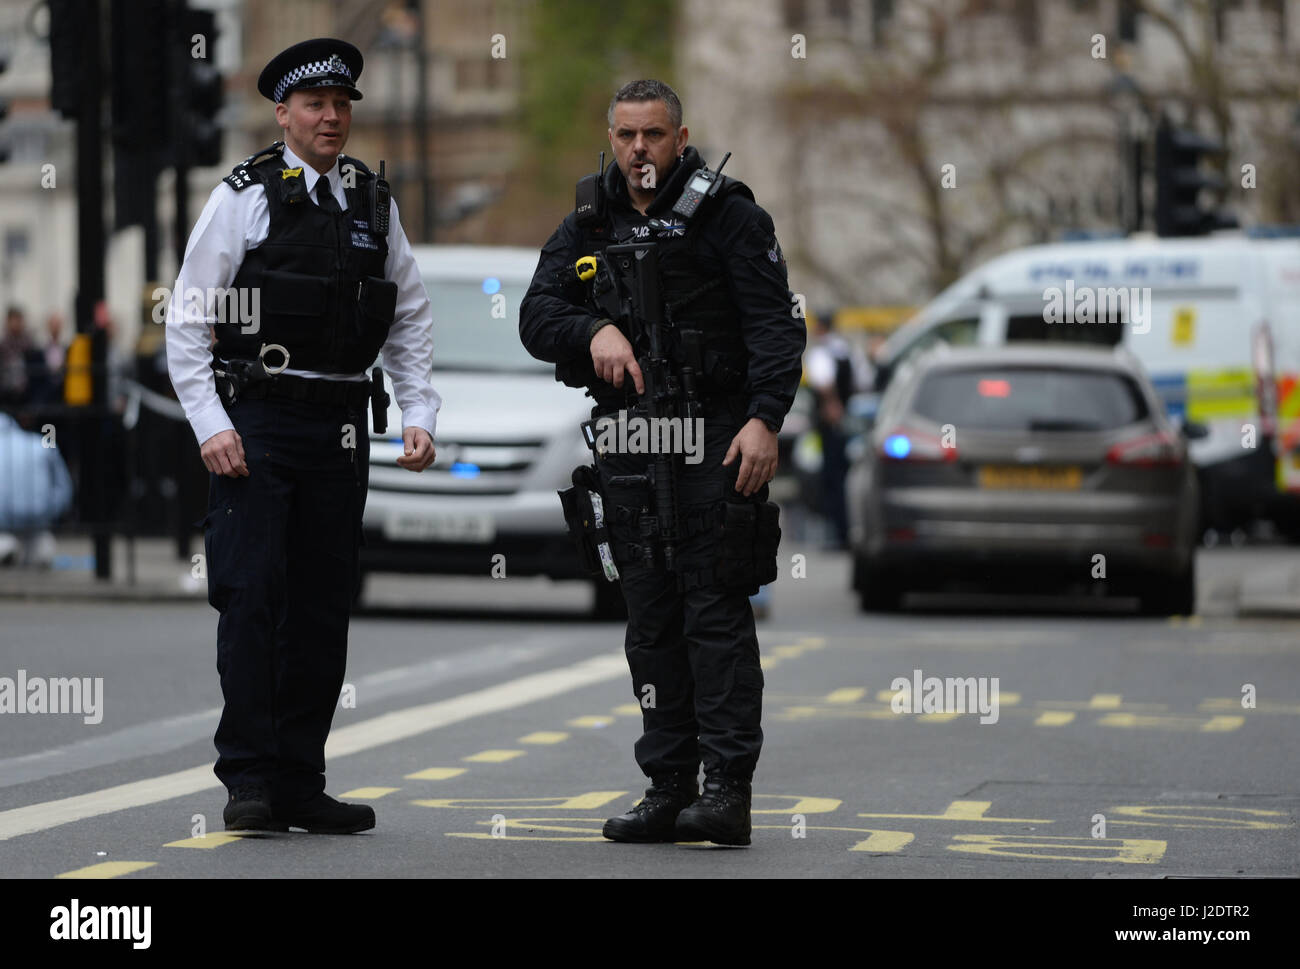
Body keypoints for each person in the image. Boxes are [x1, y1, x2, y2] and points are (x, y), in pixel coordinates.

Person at [165, 38, 440, 834]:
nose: (331, 117)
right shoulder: (243, 198)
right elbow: (187, 322)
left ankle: (299, 778)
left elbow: (409, 317)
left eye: (342, 105)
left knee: (321, 604)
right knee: (252, 596)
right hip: (258, 416)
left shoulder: (372, 204)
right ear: (283, 114)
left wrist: (419, 413)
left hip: (340, 426)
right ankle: (249, 778)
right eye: (315, 105)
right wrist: (211, 425)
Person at [520, 79, 805, 846]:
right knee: (649, 617)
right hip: (630, 443)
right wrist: (591, 333)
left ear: (681, 138)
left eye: (653, 135)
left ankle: (726, 789)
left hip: (714, 434)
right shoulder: (588, 220)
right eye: (625, 136)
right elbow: (535, 315)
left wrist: (764, 420)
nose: (638, 150)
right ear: (608, 137)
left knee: (713, 611)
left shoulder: (730, 215)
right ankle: (667, 785)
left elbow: (776, 330)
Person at [804, 308, 871, 549]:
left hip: (831, 422)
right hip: (850, 421)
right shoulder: (847, 349)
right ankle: (847, 530)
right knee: (846, 473)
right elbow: (863, 382)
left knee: (831, 475)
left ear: (820, 327)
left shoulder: (821, 352)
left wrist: (832, 406)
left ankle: (838, 533)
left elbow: (824, 383)